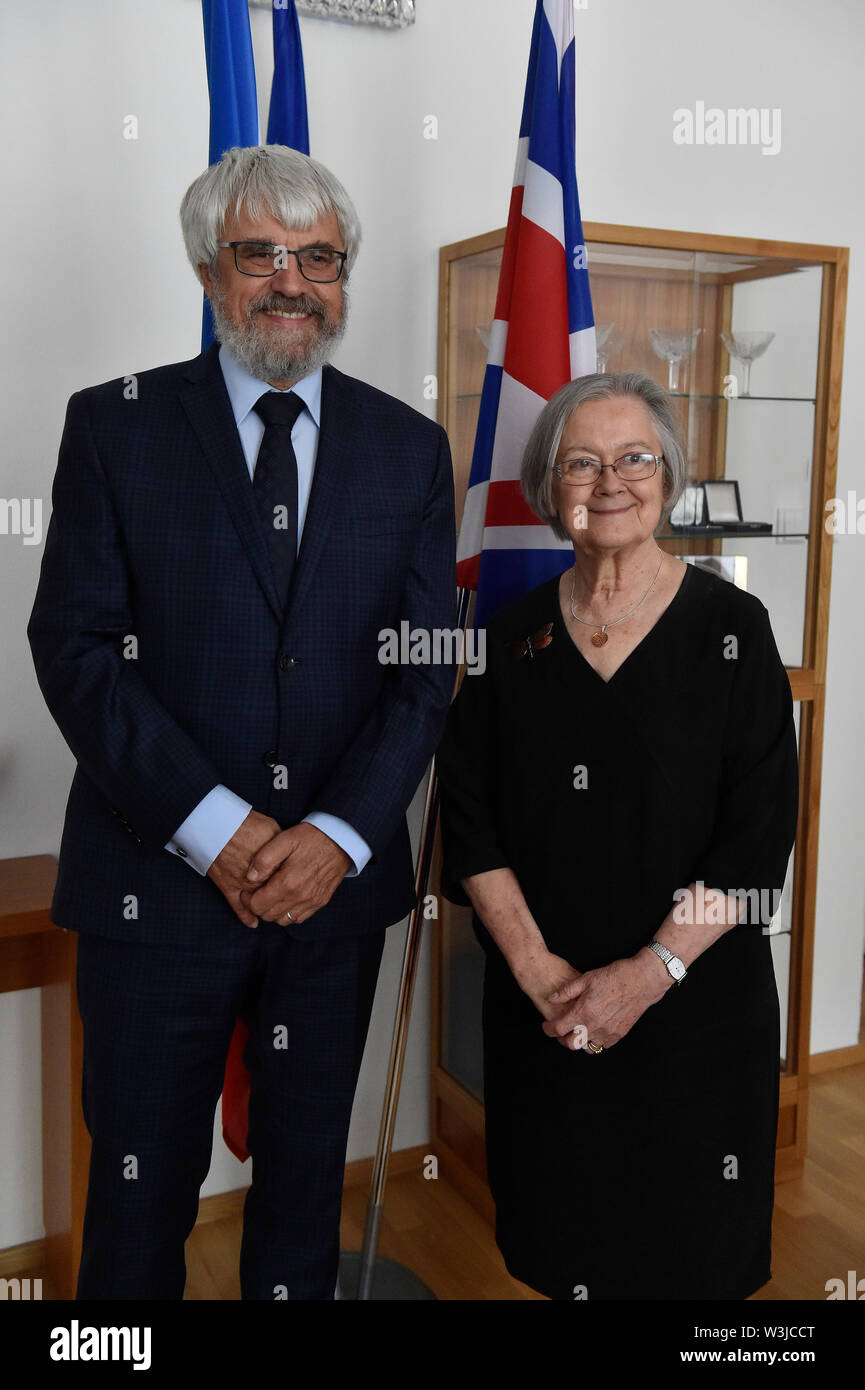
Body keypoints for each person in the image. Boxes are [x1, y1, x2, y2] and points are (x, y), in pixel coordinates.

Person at [28, 144, 456, 1300]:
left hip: (336, 891)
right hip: (154, 885)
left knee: (303, 1188)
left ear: (342, 280)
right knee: (135, 1196)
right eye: (260, 252)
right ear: (209, 269)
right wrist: (216, 828)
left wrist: (336, 837)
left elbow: (425, 671)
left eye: (319, 258)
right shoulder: (113, 427)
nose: (291, 280)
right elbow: (72, 649)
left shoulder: (408, 448)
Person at [437, 371, 798, 1301]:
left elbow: (756, 839)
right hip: (546, 1011)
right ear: (548, 486)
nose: (609, 482)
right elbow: (468, 822)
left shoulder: (733, 629)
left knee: (691, 1257)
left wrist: (646, 977)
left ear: (668, 478)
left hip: (694, 1009)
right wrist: (537, 973)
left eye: (634, 458)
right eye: (581, 463)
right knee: (563, 1245)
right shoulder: (509, 636)